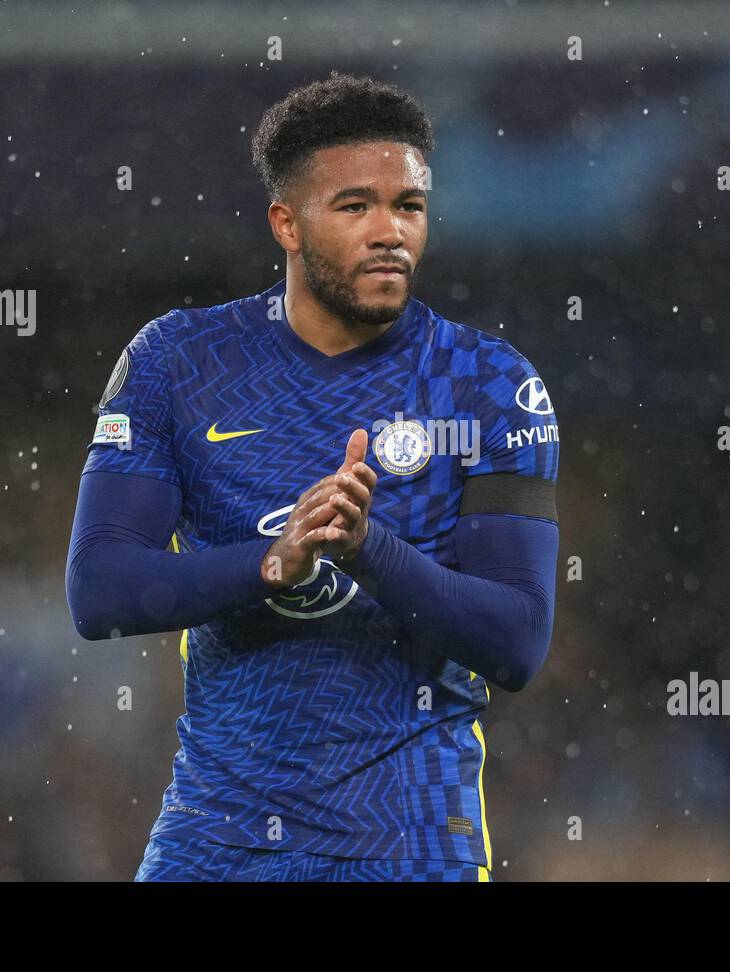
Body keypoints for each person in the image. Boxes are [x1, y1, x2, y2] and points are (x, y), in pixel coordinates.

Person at [65, 72, 560, 882]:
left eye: (409, 206)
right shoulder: (178, 363)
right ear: (286, 224)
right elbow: (98, 590)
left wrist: (369, 550)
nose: (390, 232)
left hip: (409, 846)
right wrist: (272, 565)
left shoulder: (489, 383)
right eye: (355, 206)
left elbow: (516, 641)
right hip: (215, 845)